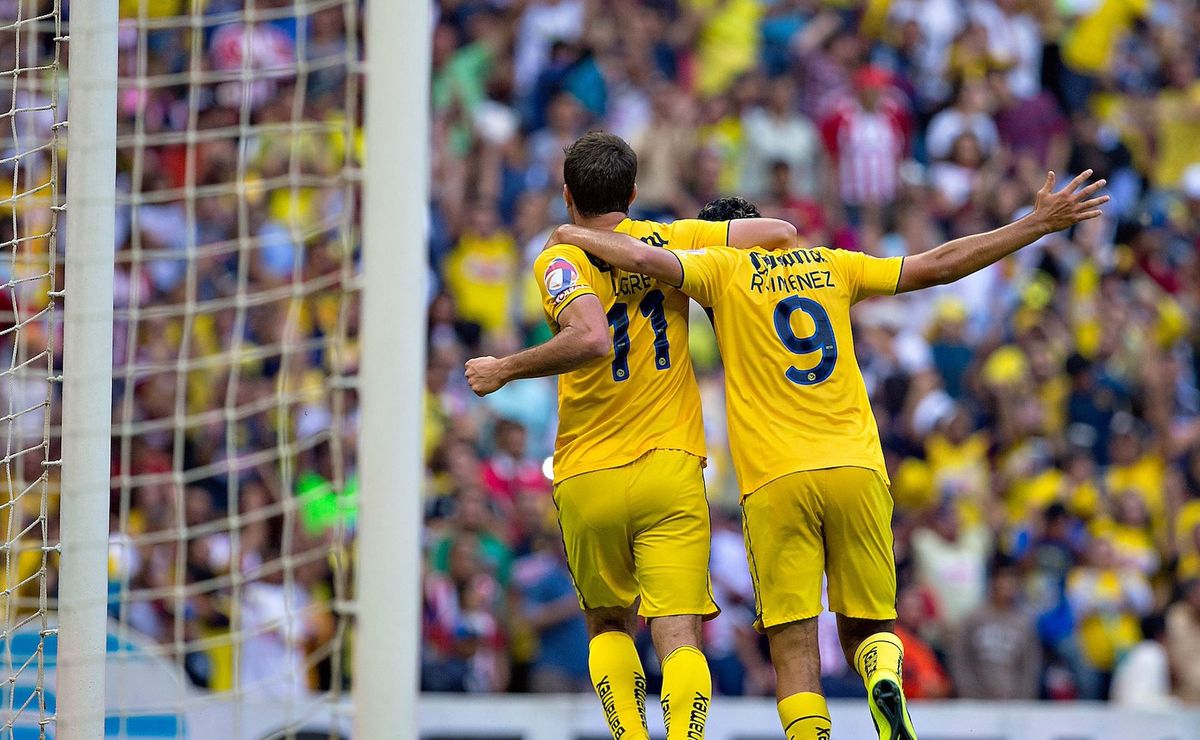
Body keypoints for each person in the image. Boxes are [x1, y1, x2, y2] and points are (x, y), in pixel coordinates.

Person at [549, 169, 1107, 739]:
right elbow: (939, 264)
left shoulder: (719, 269)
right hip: (856, 466)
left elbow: (644, 260)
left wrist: (573, 235)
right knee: (870, 625)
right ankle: (883, 676)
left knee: (794, 648)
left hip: (775, 480)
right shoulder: (834, 264)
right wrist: (1036, 224)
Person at [463, 131, 795, 740]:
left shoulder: (559, 258)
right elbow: (777, 233)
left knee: (608, 625)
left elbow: (590, 338)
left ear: (567, 196)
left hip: (588, 470)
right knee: (678, 630)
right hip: (669, 467)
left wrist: (504, 367)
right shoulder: (667, 240)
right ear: (634, 192)